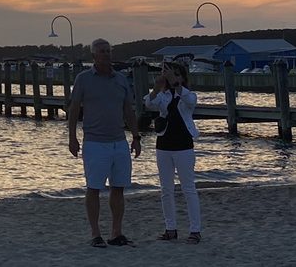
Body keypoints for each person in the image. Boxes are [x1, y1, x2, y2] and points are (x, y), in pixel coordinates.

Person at [68, 38, 142, 248]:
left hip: (119, 141)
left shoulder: (120, 79)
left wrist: (136, 137)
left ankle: (116, 233)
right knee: (94, 188)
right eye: (102, 51)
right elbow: (74, 109)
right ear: (93, 56)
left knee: (118, 188)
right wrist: (72, 137)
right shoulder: (83, 79)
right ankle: (95, 233)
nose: (106, 55)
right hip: (94, 142)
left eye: (108, 51)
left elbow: (129, 110)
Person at [143, 61, 201, 243]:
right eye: (170, 74)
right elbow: (148, 104)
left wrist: (176, 84)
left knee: (188, 188)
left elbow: (190, 101)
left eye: (176, 74)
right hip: (164, 146)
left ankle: (195, 230)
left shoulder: (187, 95)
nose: (171, 77)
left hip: (183, 146)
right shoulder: (163, 95)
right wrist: (157, 86)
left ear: (182, 77)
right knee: (166, 189)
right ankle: (170, 228)